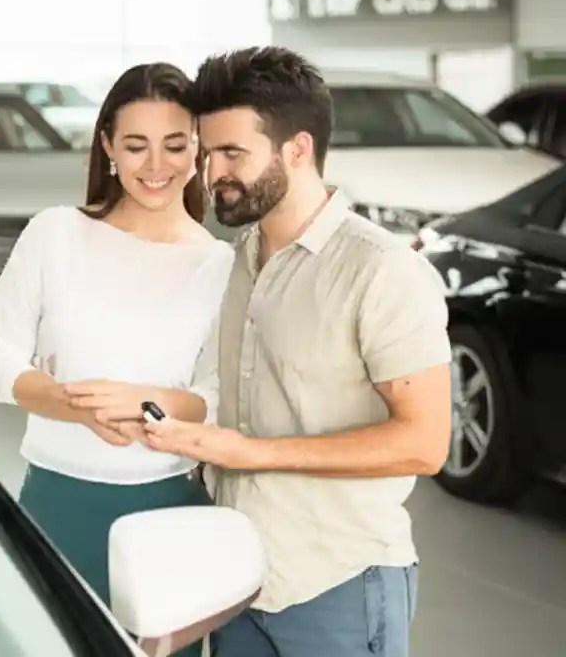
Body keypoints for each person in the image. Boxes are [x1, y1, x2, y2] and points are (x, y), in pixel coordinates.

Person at [120, 47, 451, 657]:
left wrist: (248, 453)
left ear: (297, 149)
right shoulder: (239, 260)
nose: (212, 170)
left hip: (339, 585)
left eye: (233, 154)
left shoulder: (380, 271)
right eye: (208, 151)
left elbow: (425, 444)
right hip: (237, 582)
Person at [0, 63, 234, 657]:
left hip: (166, 515)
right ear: (108, 147)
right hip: (56, 507)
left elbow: (216, 399)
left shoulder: (221, 265)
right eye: (136, 145)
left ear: (198, 151)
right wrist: (72, 405)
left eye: (175, 145)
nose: (156, 165)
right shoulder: (55, 233)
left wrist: (146, 406)